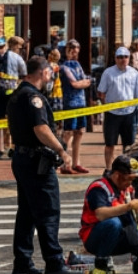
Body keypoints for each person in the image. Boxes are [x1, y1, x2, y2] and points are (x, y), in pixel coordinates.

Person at [8, 55, 78, 274]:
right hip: (36, 162)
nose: (50, 75)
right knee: (48, 212)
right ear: (41, 72)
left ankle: (22, 263)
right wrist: (61, 150)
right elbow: (41, 129)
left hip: (22, 158)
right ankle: (54, 263)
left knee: (27, 213)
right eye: (49, 71)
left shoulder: (18, 95)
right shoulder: (33, 97)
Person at [78, 154, 138, 274]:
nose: (130, 183)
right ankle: (101, 263)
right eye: (128, 179)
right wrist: (128, 206)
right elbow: (100, 214)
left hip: (118, 235)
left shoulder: (127, 189)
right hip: (94, 236)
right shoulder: (99, 188)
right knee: (113, 222)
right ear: (117, 175)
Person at [98, 46, 138, 172]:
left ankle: (127, 168)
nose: (122, 59)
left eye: (125, 57)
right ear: (115, 59)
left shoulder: (134, 73)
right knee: (110, 144)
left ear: (129, 58)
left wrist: (136, 108)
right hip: (112, 114)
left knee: (128, 145)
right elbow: (101, 92)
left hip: (129, 113)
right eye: (119, 57)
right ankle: (108, 169)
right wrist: (107, 105)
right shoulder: (108, 73)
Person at [0, 36, 26, 159]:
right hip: (11, 92)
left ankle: (0, 148)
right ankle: (14, 147)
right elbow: (24, 73)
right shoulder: (16, 57)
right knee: (13, 119)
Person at [57, 39, 93, 174]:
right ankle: (64, 162)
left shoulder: (77, 64)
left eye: (76, 51)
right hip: (70, 102)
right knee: (68, 133)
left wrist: (83, 82)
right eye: (71, 50)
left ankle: (76, 162)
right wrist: (84, 82)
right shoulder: (65, 66)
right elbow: (75, 83)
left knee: (80, 132)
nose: (74, 53)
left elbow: (85, 80)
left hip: (81, 102)